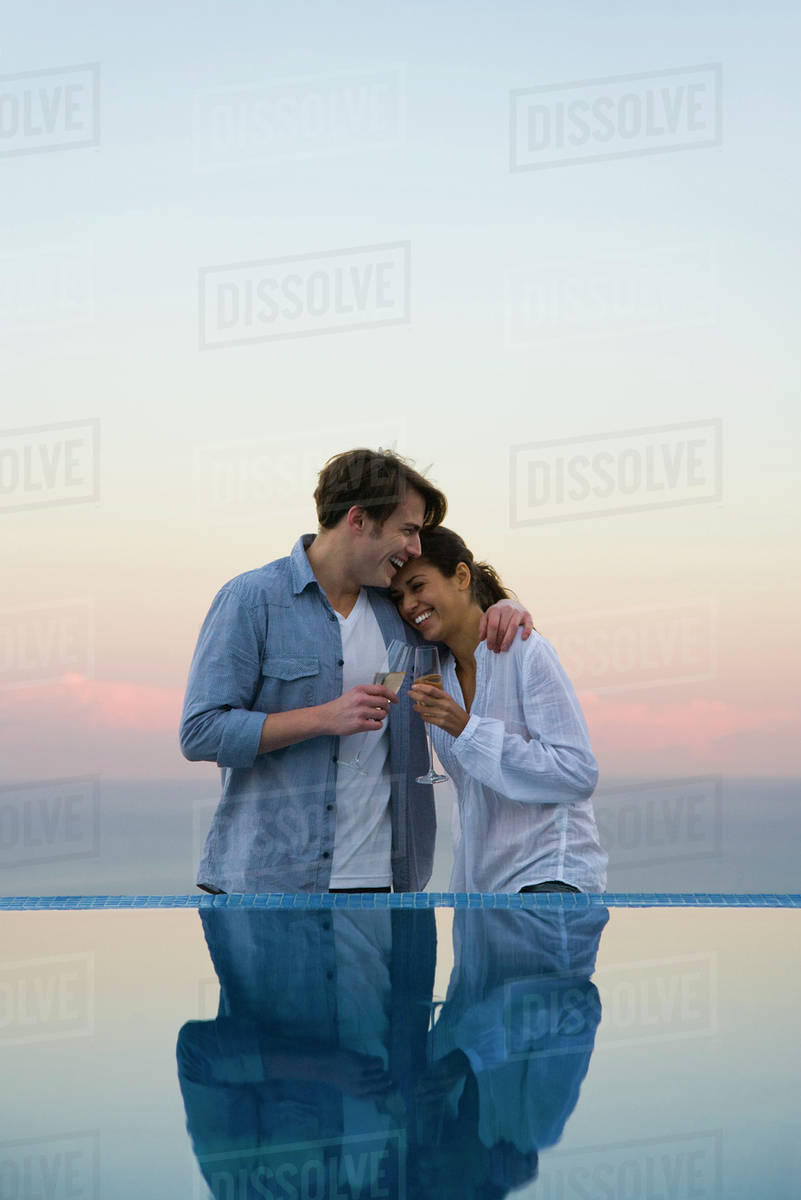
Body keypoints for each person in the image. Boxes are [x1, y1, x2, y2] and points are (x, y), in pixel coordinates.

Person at [180, 450, 533, 894]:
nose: (416, 548)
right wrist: (324, 717)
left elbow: (461, 620)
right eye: (408, 530)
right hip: (267, 885)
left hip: (385, 888)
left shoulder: (400, 610)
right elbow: (201, 732)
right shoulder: (251, 600)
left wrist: (505, 607)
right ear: (359, 520)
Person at [390, 527, 606, 894]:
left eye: (418, 586)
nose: (408, 605)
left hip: (547, 879)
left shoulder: (524, 650)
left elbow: (577, 773)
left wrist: (467, 729)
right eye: (399, 597)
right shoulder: (433, 671)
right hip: (480, 885)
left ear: (461, 576)